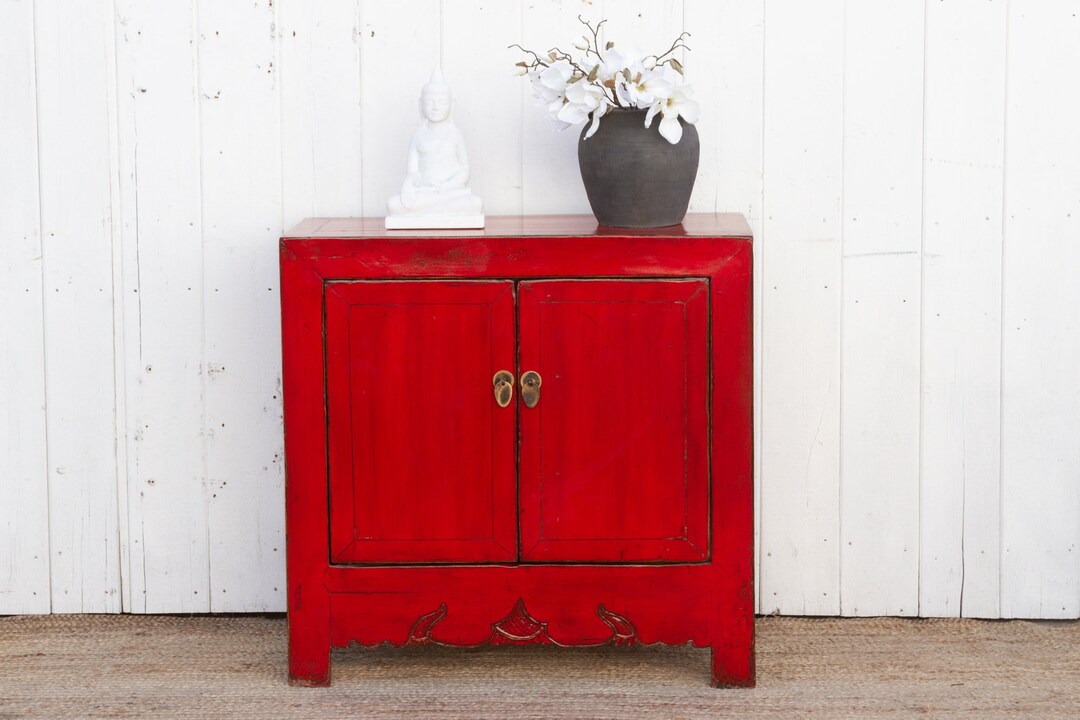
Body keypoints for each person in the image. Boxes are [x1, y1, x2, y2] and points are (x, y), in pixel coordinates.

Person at [386, 69, 484, 226]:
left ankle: (434, 208)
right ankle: (437, 208)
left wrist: (448, 186)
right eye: (430, 102)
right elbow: (412, 171)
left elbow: (465, 170)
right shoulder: (418, 135)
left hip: (451, 192)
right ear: (421, 104)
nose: (435, 107)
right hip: (424, 192)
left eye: (442, 102)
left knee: (475, 203)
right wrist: (408, 185)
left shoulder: (455, 134)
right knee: (393, 204)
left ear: (452, 105)